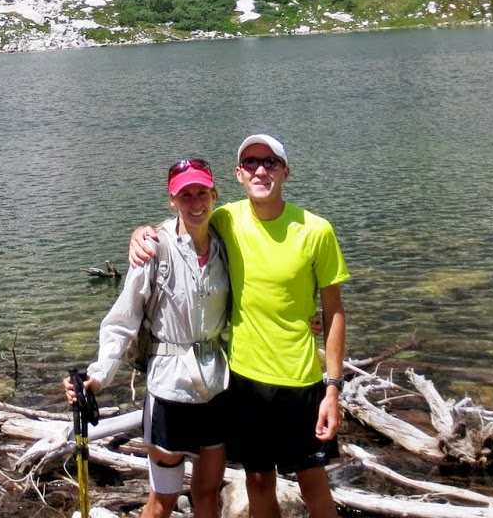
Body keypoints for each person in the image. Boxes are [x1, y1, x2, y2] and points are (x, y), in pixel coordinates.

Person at [129, 134, 348, 518]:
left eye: (270, 162)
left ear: (286, 171)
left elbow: (334, 313)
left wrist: (332, 389)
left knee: (313, 481)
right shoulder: (225, 218)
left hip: (301, 380)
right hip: (243, 381)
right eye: (250, 163)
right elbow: (183, 219)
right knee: (259, 481)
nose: (260, 170)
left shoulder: (316, 230)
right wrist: (140, 233)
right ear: (238, 174)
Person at [66, 156, 230, 518]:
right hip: (169, 389)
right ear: (171, 200)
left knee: (207, 495)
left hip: (217, 387)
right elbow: (122, 320)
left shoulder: (225, 244)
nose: (195, 202)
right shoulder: (153, 249)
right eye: (185, 195)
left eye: (201, 192)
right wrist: (98, 375)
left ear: (214, 194)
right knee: (163, 501)